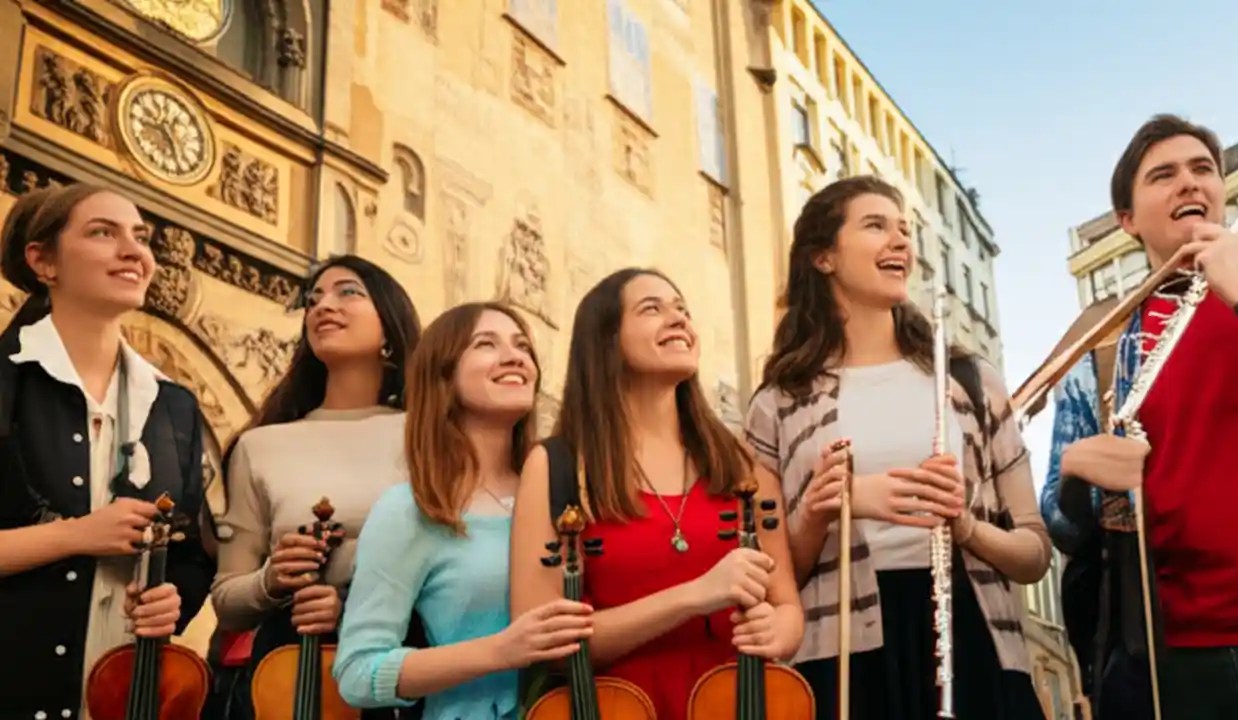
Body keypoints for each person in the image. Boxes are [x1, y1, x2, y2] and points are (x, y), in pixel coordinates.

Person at [745, 176, 1051, 720]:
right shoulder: (777, 402)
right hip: (841, 649)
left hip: (972, 632)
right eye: (875, 225)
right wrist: (824, 507)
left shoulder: (967, 379)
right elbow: (773, 577)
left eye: (905, 231)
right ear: (823, 258)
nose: (901, 242)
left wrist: (966, 528)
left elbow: (1034, 552)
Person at [1040, 114, 1238, 720]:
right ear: (1128, 220)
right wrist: (1076, 477)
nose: (1189, 184)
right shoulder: (1099, 348)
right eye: (1163, 176)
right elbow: (1062, 529)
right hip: (1171, 653)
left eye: (1203, 170)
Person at [510, 267, 806, 720]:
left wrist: (778, 631)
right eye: (652, 309)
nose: (678, 319)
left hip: (735, 706)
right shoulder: (556, 466)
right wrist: (693, 595)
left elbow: (787, 605)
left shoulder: (740, 465)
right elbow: (546, 641)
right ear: (606, 341)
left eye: (682, 309)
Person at [0, 184, 215, 718]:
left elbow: (193, 554)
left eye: (140, 238)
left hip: (122, 699)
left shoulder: (173, 405)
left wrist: (174, 601)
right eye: (103, 232)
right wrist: (76, 535)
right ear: (43, 261)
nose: (134, 251)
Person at [333, 301, 591, 718]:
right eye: (486, 344)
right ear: (443, 377)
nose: (515, 357)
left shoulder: (567, 489)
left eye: (523, 346)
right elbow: (358, 672)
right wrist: (500, 650)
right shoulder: (410, 509)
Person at [208, 254, 422, 715]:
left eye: (349, 292)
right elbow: (228, 600)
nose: (325, 305)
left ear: (390, 325)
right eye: (314, 298)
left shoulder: (429, 437)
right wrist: (271, 579)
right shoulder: (259, 445)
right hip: (285, 679)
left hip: (398, 677)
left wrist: (349, 608)